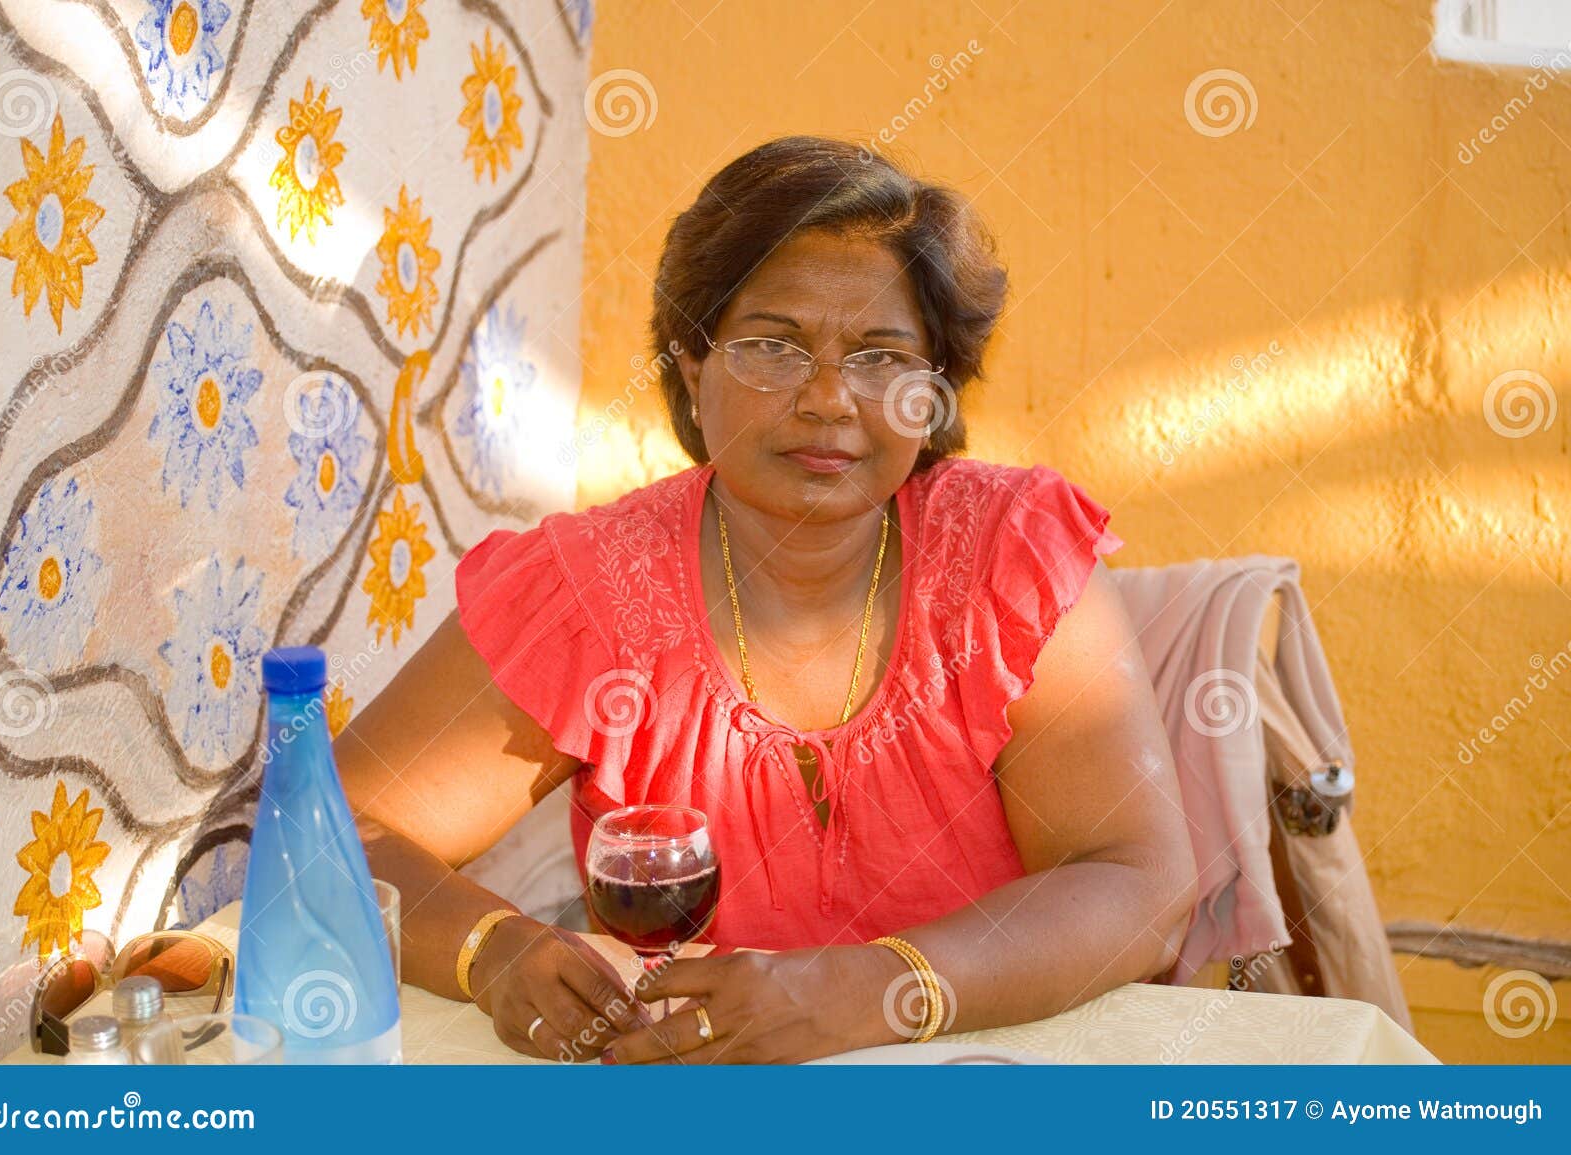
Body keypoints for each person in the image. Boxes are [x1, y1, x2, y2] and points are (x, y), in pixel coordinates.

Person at [339, 136, 1196, 1064]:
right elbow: (328, 836)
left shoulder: (1008, 556)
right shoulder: (591, 590)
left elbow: (1137, 879)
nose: (829, 399)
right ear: (689, 365)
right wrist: (488, 951)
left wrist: (875, 990)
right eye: (771, 347)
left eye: (880, 356)